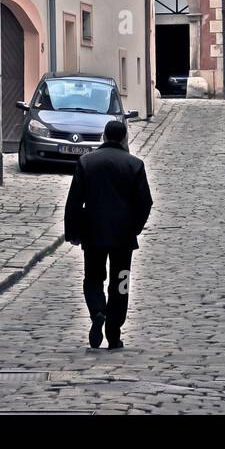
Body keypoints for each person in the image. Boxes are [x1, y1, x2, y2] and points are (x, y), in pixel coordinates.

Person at [64, 118, 153, 349]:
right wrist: (135, 227)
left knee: (93, 278)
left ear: (104, 136)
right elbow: (145, 202)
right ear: (124, 138)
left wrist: (72, 231)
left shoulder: (86, 162)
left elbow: (74, 201)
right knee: (120, 282)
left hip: (93, 233)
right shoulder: (134, 164)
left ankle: (97, 313)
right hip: (123, 236)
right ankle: (114, 332)